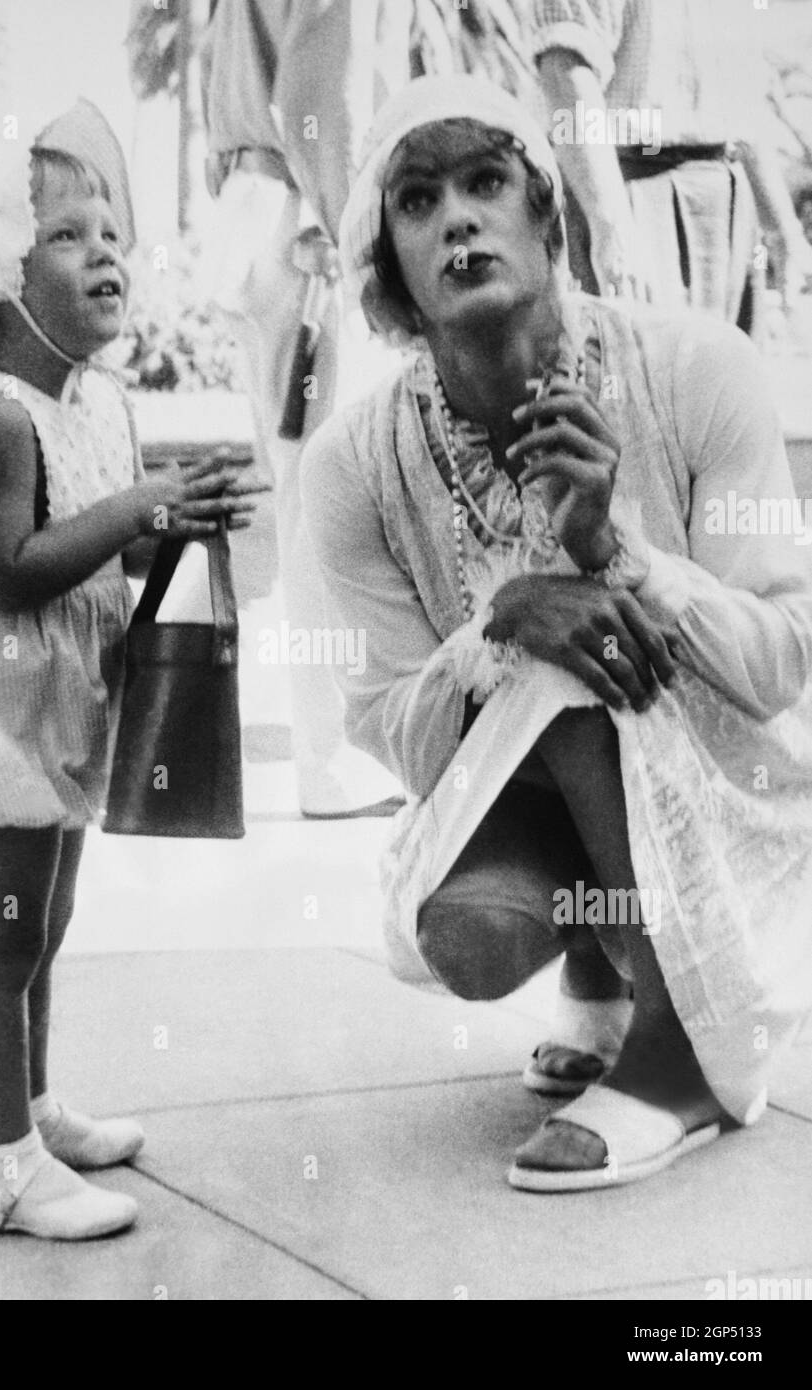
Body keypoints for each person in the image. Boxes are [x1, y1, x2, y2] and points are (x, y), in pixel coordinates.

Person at [302, 75, 812, 1190]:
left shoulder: (694, 367)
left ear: (547, 217)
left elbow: (781, 662)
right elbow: (387, 724)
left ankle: (680, 1056)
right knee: (470, 935)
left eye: (485, 181)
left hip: (743, 782)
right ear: (388, 266)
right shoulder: (349, 463)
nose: (456, 220)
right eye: (417, 200)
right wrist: (499, 620)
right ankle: (596, 963)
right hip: (547, 783)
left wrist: (607, 551)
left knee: (574, 648)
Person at [0, 104, 263, 1239]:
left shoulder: (96, 404)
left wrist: (176, 521)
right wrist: (140, 505)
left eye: (110, 229)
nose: (108, 249)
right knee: (1, 941)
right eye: (69, 235)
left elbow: (103, 543)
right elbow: (12, 572)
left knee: (48, 920)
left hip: (54, 700)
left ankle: (25, 1108)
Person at [194, 0, 472, 818]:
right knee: (335, 496)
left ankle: (343, 752)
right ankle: (345, 758)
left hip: (273, 210)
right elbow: (324, 103)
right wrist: (364, 245)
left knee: (314, 494)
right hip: (315, 223)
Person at [532, 0, 812, 330]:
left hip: (728, 196)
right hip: (633, 190)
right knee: (641, 368)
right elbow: (566, 67)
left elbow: (747, 88)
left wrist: (782, 228)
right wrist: (612, 228)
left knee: (724, 373)